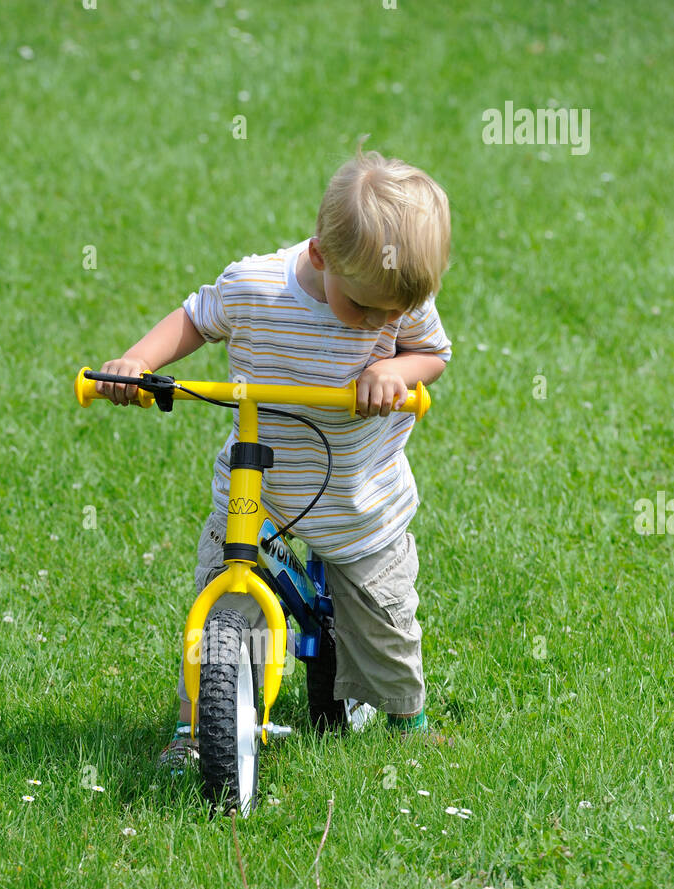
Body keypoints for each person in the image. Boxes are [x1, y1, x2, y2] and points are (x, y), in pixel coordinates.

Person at [94, 147, 452, 770]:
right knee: (218, 605)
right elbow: (195, 319)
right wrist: (138, 362)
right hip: (257, 497)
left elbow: (433, 352)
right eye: (367, 310)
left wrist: (396, 366)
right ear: (320, 256)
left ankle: (406, 718)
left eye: (393, 314)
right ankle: (194, 734)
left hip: (358, 502)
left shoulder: (394, 292)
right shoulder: (257, 287)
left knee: (384, 622)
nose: (380, 322)